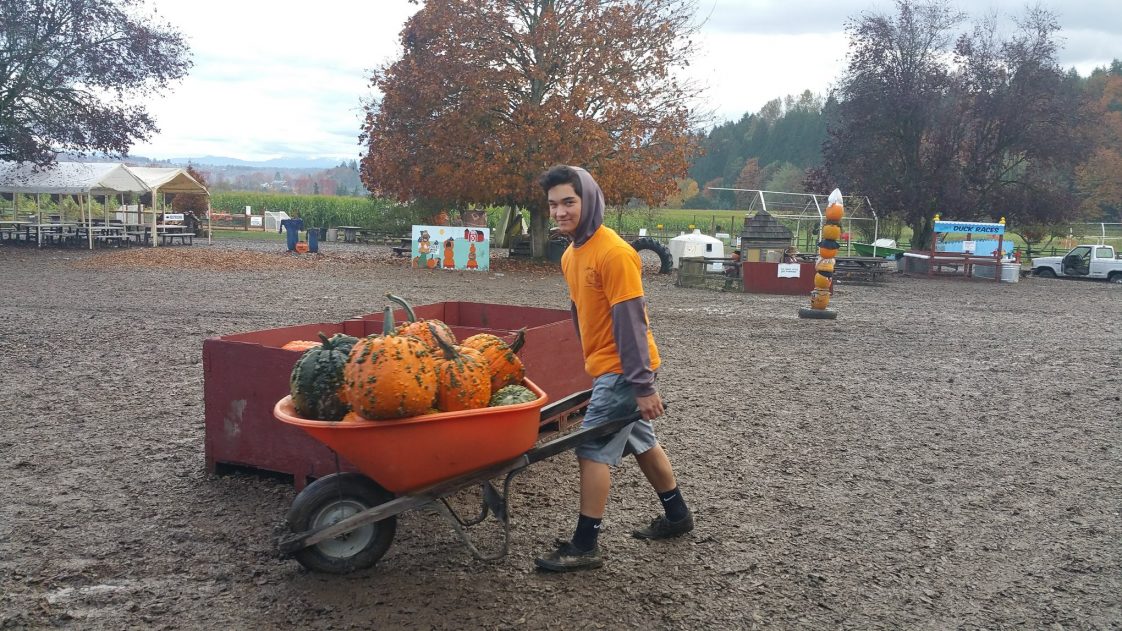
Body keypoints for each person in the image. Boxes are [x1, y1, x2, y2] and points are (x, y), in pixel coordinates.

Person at [533, 165, 693, 573]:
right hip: (611, 367)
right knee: (641, 440)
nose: (560, 212)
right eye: (553, 204)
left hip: (625, 369)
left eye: (569, 202)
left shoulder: (615, 253)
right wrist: (590, 362)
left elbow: (631, 323)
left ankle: (585, 545)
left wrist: (642, 385)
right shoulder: (571, 255)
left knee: (591, 450)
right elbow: (580, 312)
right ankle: (678, 515)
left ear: (588, 200)